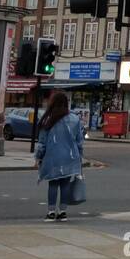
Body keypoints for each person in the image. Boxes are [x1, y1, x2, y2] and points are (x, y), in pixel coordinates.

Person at [35, 92, 84, 222]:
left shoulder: (47, 119)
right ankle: (63, 212)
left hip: (53, 157)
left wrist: (38, 157)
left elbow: (42, 143)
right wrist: (80, 156)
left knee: (53, 184)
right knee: (65, 185)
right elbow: (79, 141)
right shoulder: (74, 119)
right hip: (70, 156)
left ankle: (51, 212)